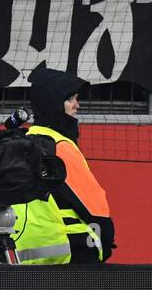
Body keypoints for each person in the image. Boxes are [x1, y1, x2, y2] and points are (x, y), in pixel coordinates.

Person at [12, 68, 115, 264]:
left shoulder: (22, 142)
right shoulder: (60, 146)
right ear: (55, 103)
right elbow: (94, 205)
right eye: (71, 99)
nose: (77, 105)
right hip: (68, 247)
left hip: (25, 251)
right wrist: (107, 240)